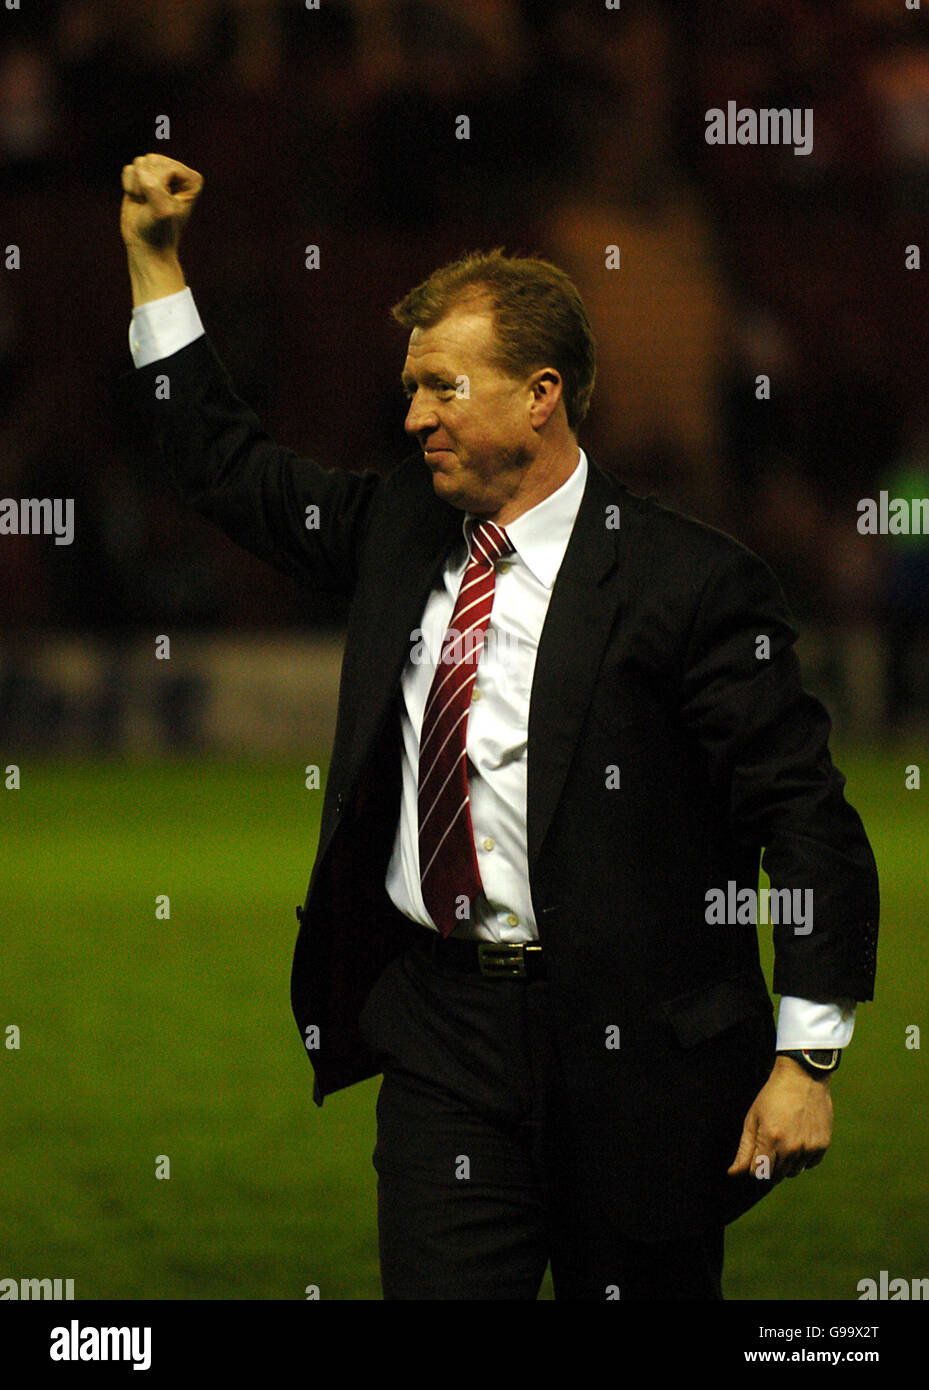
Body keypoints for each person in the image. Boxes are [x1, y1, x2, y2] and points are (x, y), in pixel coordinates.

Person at [117, 153, 879, 1301]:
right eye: (410, 388)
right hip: (441, 1037)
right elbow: (226, 467)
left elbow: (804, 820)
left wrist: (805, 1054)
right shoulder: (394, 532)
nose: (414, 414)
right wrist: (153, 260)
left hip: (636, 1053)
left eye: (442, 387)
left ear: (540, 393)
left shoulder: (691, 583)